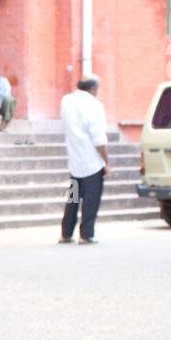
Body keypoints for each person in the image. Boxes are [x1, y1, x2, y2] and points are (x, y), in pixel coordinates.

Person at [59, 76, 111, 244]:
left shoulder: (66, 101)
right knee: (91, 199)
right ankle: (86, 234)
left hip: (74, 160)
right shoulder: (95, 105)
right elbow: (98, 138)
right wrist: (106, 162)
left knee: (73, 198)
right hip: (92, 162)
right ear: (93, 89)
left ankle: (66, 233)